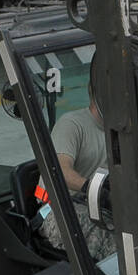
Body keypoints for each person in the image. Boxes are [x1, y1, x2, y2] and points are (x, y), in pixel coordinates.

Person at [37, 57, 115, 261]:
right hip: (58, 211)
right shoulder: (72, 124)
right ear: (95, 91)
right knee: (119, 243)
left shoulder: (120, 130)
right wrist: (99, 189)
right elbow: (60, 173)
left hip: (94, 207)